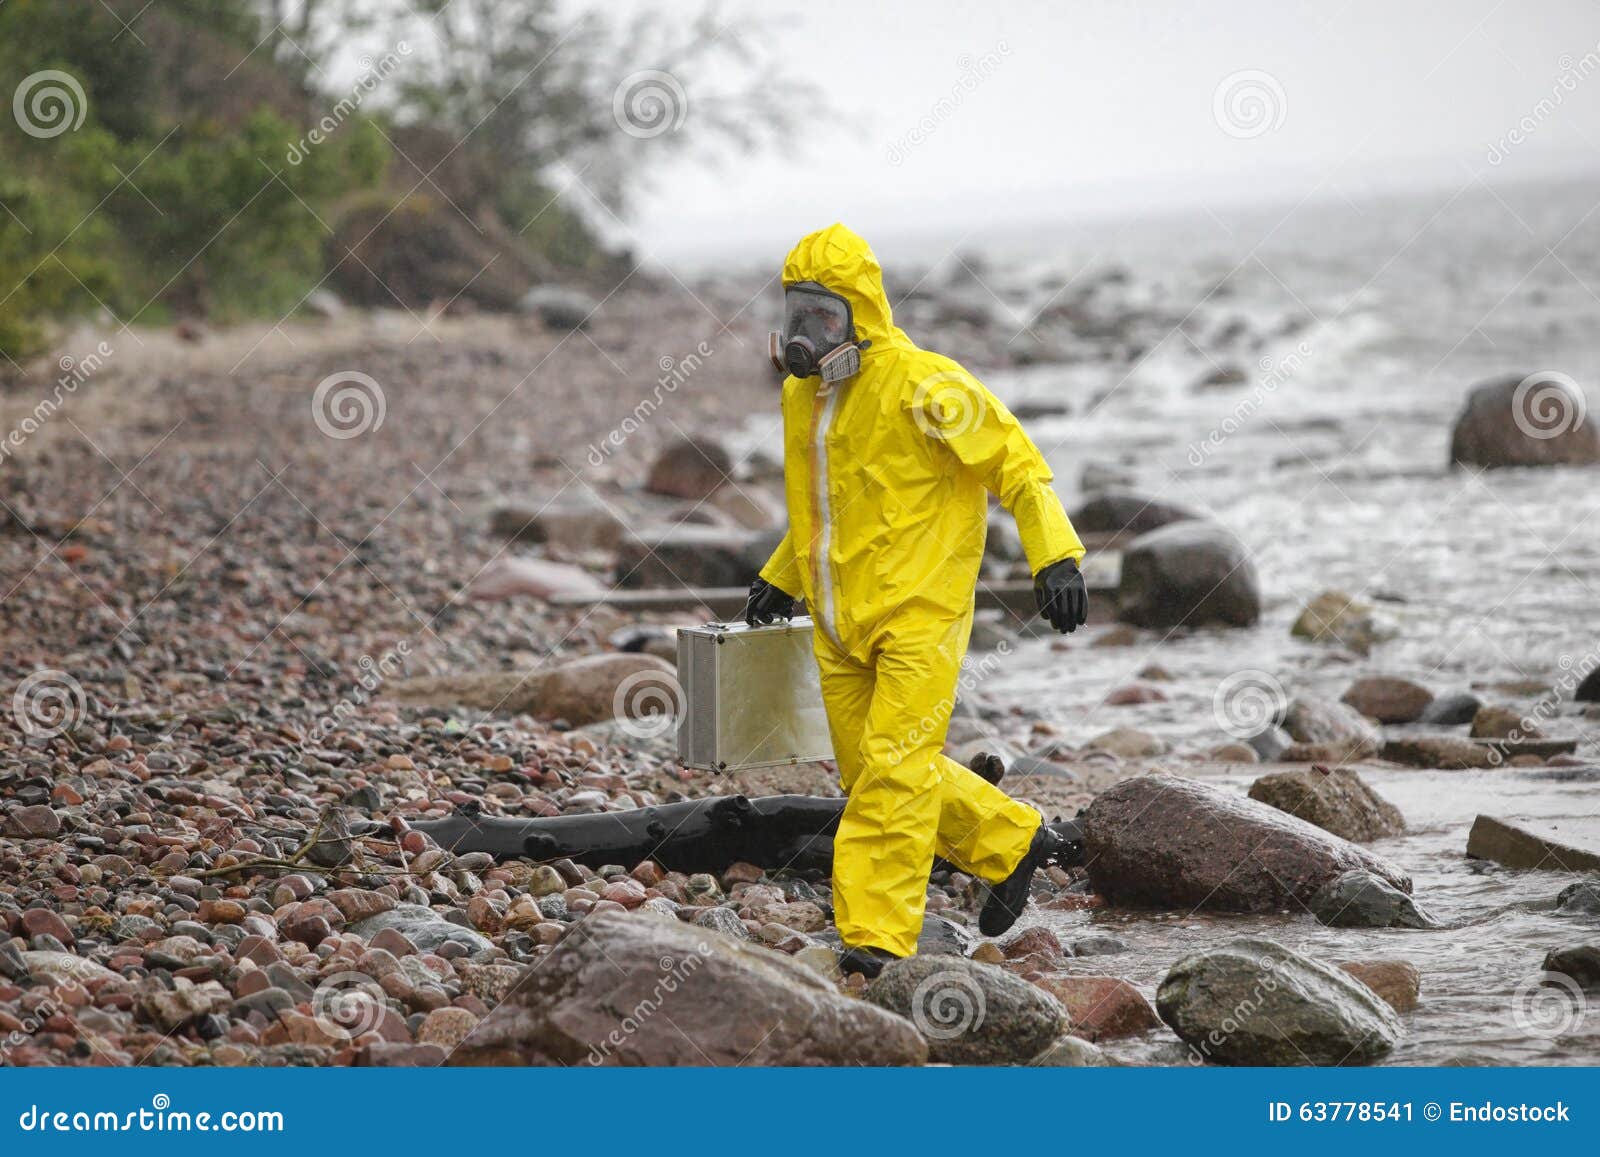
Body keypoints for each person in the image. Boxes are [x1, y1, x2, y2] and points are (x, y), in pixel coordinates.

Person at [743, 223, 1089, 978]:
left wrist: (1054, 553)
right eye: (798, 313)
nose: (807, 334)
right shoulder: (804, 398)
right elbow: (824, 508)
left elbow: (1016, 463)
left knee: (896, 771)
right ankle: (1012, 840)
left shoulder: (927, 383)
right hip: (839, 619)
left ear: (861, 313)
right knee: (868, 774)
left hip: (918, 616)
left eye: (824, 317)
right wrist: (783, 575)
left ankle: (877, 938)